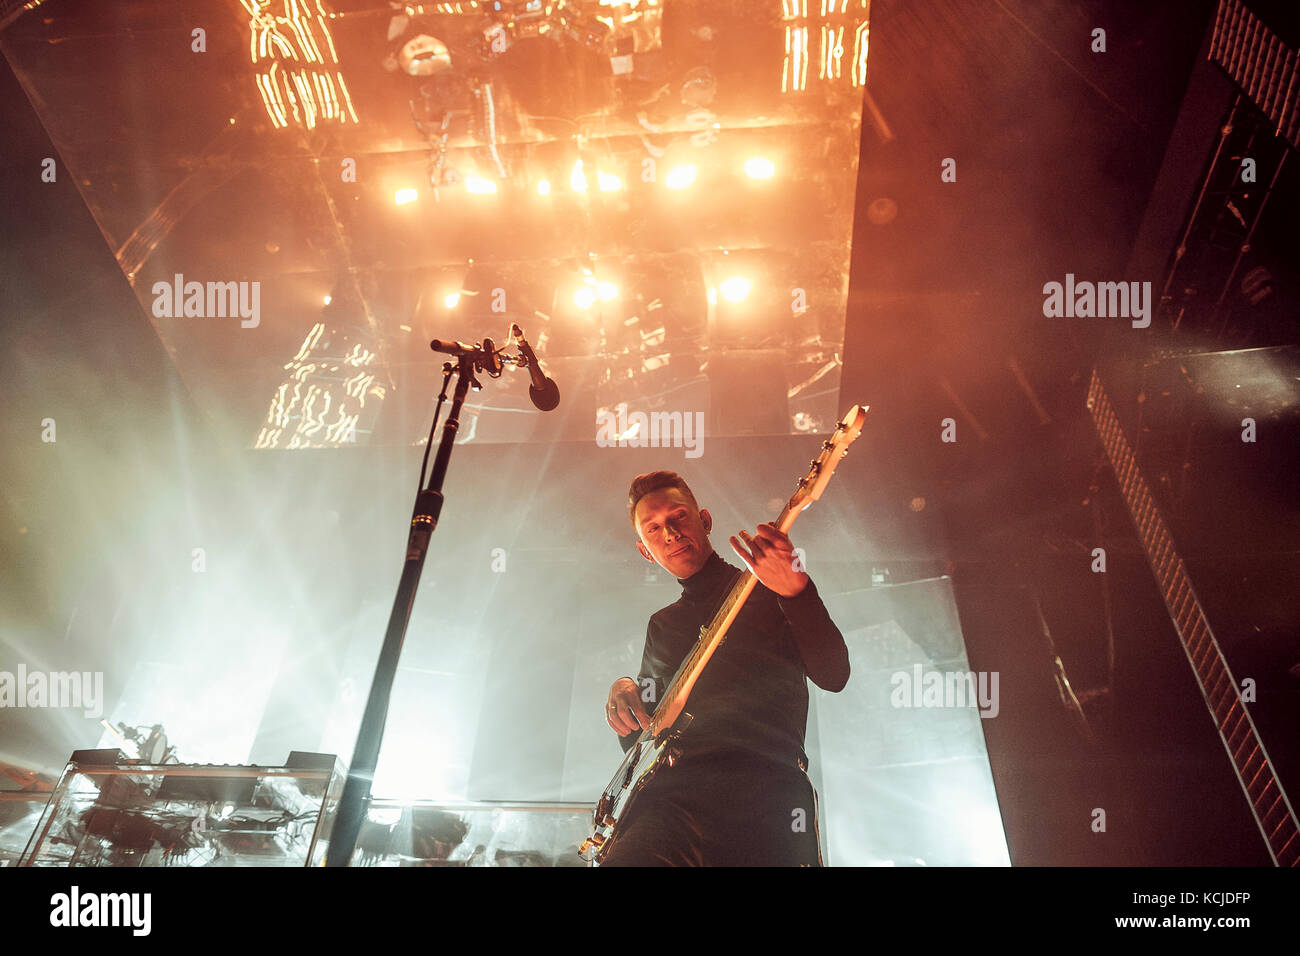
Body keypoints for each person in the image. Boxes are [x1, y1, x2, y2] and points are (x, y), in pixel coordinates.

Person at [599, 470, 850, 866]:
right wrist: (624, 690)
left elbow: (835, 675)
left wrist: (798, 592)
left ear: (705, 520)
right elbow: (639, 742)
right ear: (646, 551)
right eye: (654, 528)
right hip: (672, 805)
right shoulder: (661, 626)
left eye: (679, 517)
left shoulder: (771, 588)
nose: (670, 532)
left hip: (766, 793)